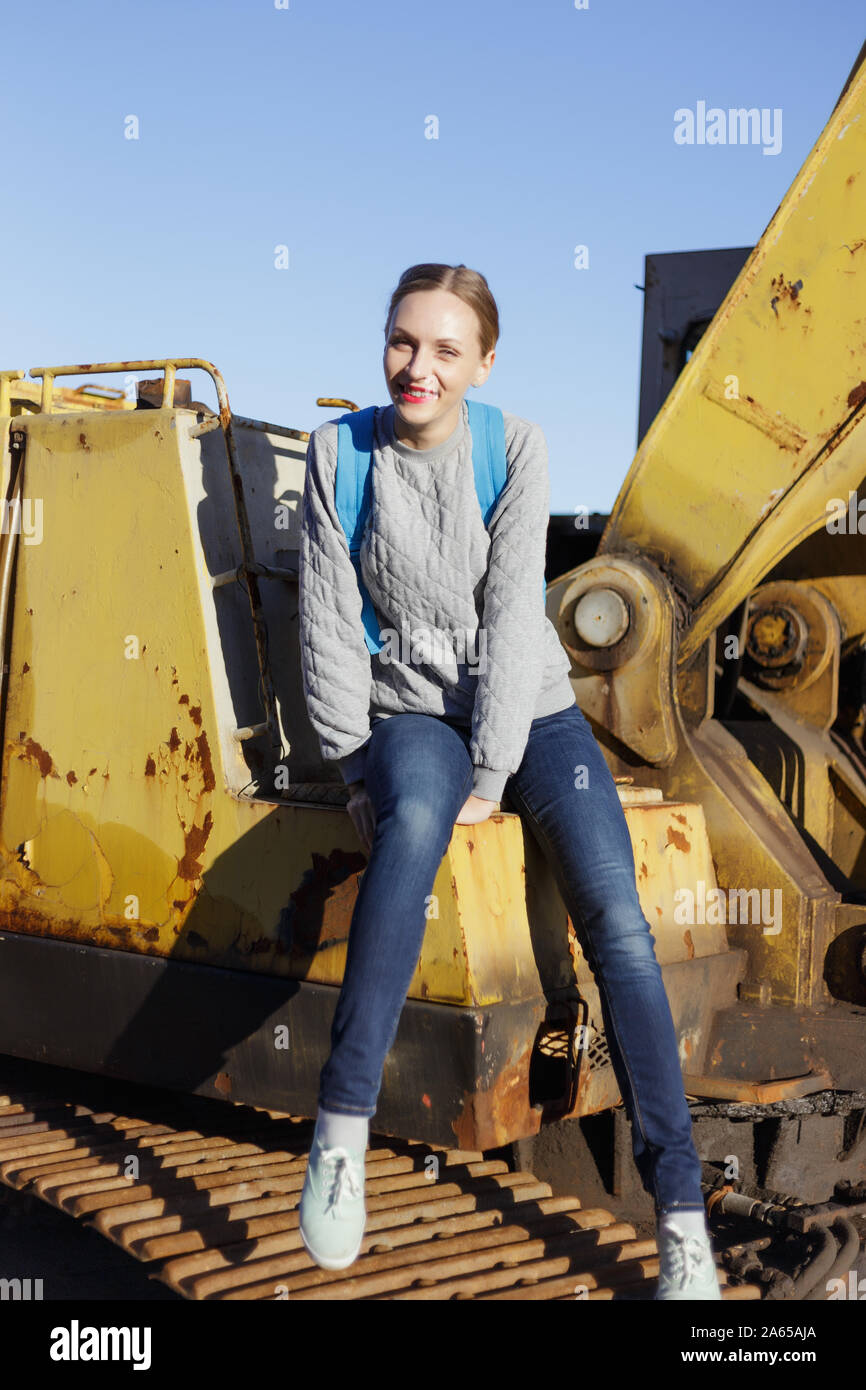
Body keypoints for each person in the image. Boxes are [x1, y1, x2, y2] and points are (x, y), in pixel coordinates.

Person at [296, 262, 722, 1300]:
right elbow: (324, 615)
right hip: (412, 715)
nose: (417, 366)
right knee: (408, 829)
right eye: (403, 340)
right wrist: (356, 760)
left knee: (616, 920)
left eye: (445, 348)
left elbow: (501, 613)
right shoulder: (338, 453)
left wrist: (494, 772)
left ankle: (679, 1220)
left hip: (527, 712)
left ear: (482, 361)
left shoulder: (511, 447)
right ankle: (341, 1130)